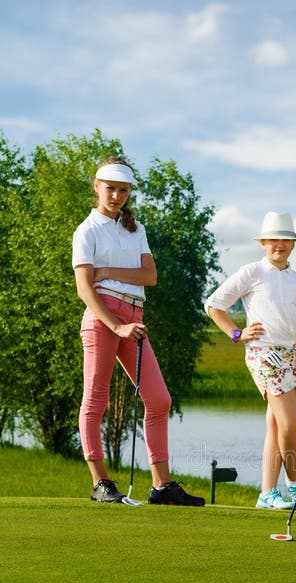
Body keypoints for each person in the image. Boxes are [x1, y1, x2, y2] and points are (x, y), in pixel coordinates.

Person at [72, 156, 205, 505]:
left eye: (123, 190)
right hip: (103, 318)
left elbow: (150, 276)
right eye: (110, 188)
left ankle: (161, 486)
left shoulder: (136, 229)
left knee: (159, 399)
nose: (116, 196)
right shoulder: (86, 231)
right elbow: (85, 288)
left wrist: (106, 271)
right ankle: (101, 482)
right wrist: (116, 324)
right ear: (97, 187)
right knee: (96, 400)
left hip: (134, 317)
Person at [205, 212, 296, 510]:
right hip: (265, 354)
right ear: (262, 242)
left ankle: (266, 494)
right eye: (274, 239)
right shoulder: (252, 272)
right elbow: (213, 304)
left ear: (293, 244)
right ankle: (295, 485)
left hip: (294, 355)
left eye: (286, 240)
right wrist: (237, 333)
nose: (280, 245)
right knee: (290, 422)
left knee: (276, 426)